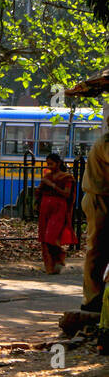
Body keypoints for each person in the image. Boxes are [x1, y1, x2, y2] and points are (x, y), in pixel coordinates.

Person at [81, 130, 109, 313]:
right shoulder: (106, 143)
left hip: (104, 197)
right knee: (97, 248)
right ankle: (92, 297)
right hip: (99, 198)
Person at [37, 153, 76, 274]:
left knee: (51, 237)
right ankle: (50, 267)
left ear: (58, 163)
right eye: (47, 164)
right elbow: (39, 193)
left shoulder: (66, 177)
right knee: (44, 237)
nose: (49, 167)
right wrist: (40, 188)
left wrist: (52, 185)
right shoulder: (47, 177)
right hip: (45, 208)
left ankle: (60, 256)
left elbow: (67, 194)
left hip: (59, 209)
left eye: (51, 164)